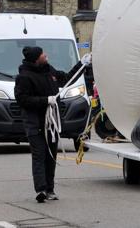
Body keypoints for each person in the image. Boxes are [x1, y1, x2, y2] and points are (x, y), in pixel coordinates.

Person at [14, 46, 86, 203]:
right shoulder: (24, 77)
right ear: (35, 58)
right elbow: (22, 99)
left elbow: (67, 78)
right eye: (42, 54)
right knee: (39, 156)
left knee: (51, 157)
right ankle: (40, 189)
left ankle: (50, 189)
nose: (45, 55)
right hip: (34, 123)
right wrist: (46, 100)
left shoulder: (49, 70)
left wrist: (82, 64)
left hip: (51, 123)